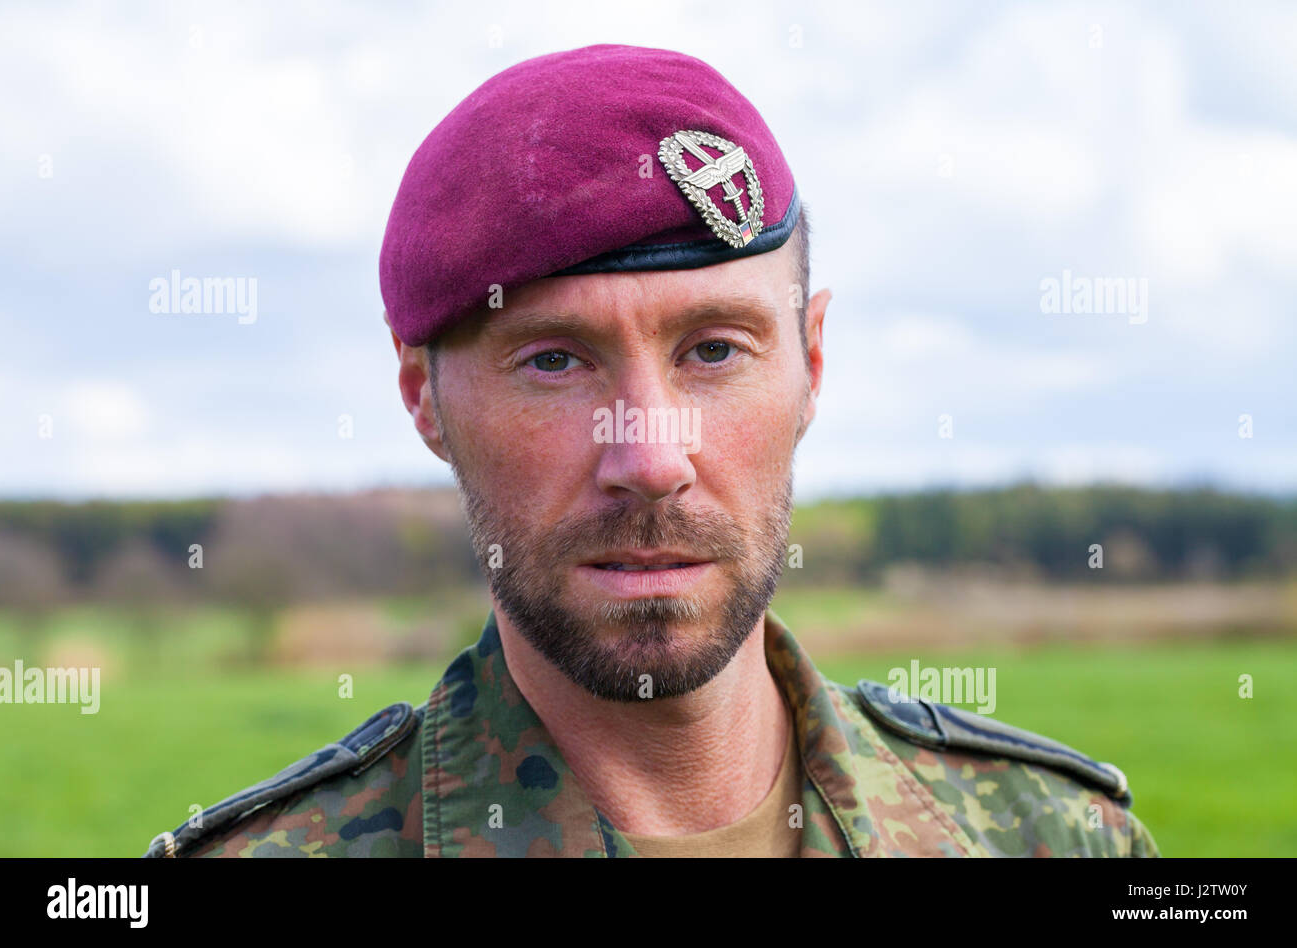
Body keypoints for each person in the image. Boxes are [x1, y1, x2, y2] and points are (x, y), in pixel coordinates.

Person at [144, 43, 1158, 858]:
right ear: (425, 399)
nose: (650, 458)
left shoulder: (1055, 837)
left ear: (810, 362)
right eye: (552, 363)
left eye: (713, 349)